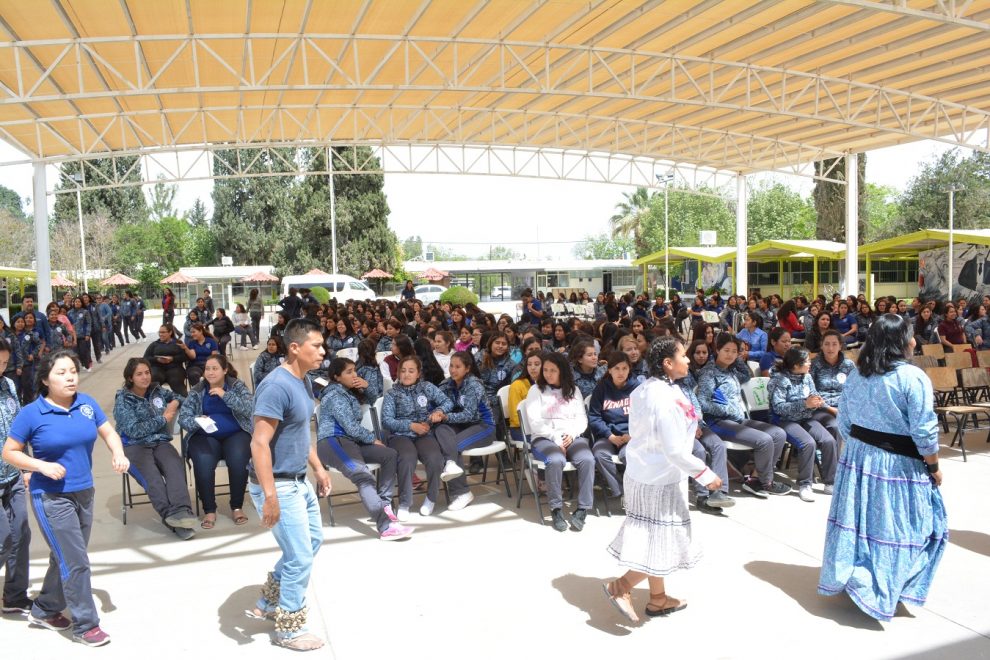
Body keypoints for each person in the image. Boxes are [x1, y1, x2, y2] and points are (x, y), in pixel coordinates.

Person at [818, 314, 947, 622]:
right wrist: (934, 465)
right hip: (899, 465)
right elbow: (924, 430)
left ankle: (860, 579)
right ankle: (885, 586)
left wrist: (865, 448)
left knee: (863, 524)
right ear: (900, 342)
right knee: (911, 525)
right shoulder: (913, 378)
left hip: (858, 460)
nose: (914, 341)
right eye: (910, 336)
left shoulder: (858, 375)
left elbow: (845, 422)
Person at [2, 349, 129, 647]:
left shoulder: (86, 404)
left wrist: (119, 453)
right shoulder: (31, 413)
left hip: (84, 491)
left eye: (72, 370)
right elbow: (9, 451)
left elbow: (109, 433)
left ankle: (45, 607)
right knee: (76, 560)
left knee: (66, 555)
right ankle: (86, 625)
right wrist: (40, 465)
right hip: (51, 497)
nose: (71, 376)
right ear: (45, 379)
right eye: (61, 372)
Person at [603, 336, 722, 623]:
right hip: (659, 476)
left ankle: (657, 599)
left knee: (657, 538)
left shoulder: (649, 387)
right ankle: (620, 587)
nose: (689, 360)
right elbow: (673, 451)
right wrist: (706, 475)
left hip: (645, 471)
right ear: (668, 364)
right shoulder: (664, 398)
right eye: (684, 355)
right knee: (663, 540)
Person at [247, 318, 331, 650]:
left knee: (311, 542)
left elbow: (297, 432)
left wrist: (319, 468)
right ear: (295, 348)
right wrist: (269, 496)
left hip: (298, 480)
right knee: (300, 557)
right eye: (317, 346)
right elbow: (259, 444)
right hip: (279, 485)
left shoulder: (304, 380)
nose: (323, 351)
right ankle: (290, 629)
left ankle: (269, 602)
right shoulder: (276, 386)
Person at [316, 358, 412, 540]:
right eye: (349, 372)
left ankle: (383, 504)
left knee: (389, 454)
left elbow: (374, 399)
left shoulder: (349, 392)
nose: (354, 375)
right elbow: (351, 427)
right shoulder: (335, 395)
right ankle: (386, 526)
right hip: (333, 442)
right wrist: (372, 439)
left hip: (351, 442)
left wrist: (366, 386)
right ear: (336, 377)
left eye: (355, 370)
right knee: (363, 476)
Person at [113, 358, 198, 539]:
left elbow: (181, 397)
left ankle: (182, 512)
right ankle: (170, 517)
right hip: (134, 445)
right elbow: (134, 430)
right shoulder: (123, 401)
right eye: (139, 374)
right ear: (130, 378)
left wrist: (174, 403)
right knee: (154, 480)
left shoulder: (157, 391)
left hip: (159, 441)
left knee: (174, 467)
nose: (145, 377)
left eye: (147, 373)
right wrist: (163, 419)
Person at [698, 334, 790, 497]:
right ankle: (766, 482)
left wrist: (737, 358)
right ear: (717, 349)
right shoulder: (709, 373)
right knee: (764, 440)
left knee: (778, 434)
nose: (730, 354)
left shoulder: (731, 371)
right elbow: (703, 403)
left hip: (738, 420)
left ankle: (755, 479)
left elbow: (746, 375)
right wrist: (728, 410)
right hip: (718, 422)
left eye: (734, 351)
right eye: (726, 350)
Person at [178, 354, 254, 528]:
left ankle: (236, 506)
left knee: (238, 461)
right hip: (204, 435)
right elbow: (184, 417)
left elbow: (249, 408)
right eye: (207, 369)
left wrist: (224, 395)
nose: (210, 372)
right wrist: (198, 420)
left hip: (236, 433)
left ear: (225, 370)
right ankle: (209, 510)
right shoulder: (198, 390)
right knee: (203, 462)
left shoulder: (236, 385)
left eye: (215, 368)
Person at [524, 352, 593, 532]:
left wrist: (572, 433)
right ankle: (556, 508)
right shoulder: (535, 390)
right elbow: (535, 422)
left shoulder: (574, 390)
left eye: (552, 370)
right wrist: (555, 438)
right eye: (545, 370)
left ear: (562, 371)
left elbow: (581, 419)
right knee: (555, 460)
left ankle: (583, 508)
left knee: (587, 459)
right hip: (544, 438)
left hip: (571, 436)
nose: (547, 374)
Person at [381, 355, 455, 518]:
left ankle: (431, 498)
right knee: (407, 458)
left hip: (424, 433)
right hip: (400, 435)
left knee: (435, 458)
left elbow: (448, 402)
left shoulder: (427, 387)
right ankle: (405, 503)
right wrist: (410, 425)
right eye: (403, 371)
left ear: (418, 373)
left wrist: (438, 412)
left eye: (411, 371)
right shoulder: (392, 394)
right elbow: (386, 421)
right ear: (398, 373)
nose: (406, 374)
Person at [767, 348, 838, 502]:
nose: (809, 363)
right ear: (796, 364)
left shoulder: (806, 377)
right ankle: (805, 484)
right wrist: (804, 404)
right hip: (784, 419)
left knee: (828, 440)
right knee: (807, 443)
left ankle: (830, 481)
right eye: (807, 361)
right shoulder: (779, 380)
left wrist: (817, 401)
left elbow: (813, 393)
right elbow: (779, 407)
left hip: (806, 417)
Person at [435, 351, 498, 511]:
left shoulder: (473, 385)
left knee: (452, 446)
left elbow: (469, 414)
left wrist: (445, 417)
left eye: (457, 367)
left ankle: (462, 492)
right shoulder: (447, 384)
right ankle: (457, 482)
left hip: (483, 426)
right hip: (463, 426)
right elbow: (440, 403)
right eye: (451, 365)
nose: (453, 370)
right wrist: (438, 412)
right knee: (442, 433)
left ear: (467, 368)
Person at [0, 339, 32, 616]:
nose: (0, 369)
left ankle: (15, 595)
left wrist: (28, 466)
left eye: (3, 364)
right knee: (4, 540)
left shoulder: (8, 386)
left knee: (21, 533)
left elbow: (19, 428)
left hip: (13, 475)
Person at [589, 352, 637, 500]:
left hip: (631, 435)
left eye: (624, 368)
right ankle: (622, 492)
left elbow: (645, 417)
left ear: (629, 369)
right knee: (599, 454)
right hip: (608, 435)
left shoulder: (637, 388)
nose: (621, 372)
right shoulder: (602, 388)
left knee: (627, 455)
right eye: (617, 368)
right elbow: (594, 417)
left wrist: (633, 435)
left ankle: (635, 491)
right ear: (609, 370)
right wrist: (610, 435)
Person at [810, 330, 855, 420]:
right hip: (821, 409)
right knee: (834, 426)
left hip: (845, 409)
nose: (830, 348)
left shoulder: (849, 365)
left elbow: (855, 390)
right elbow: (811, 392)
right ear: (821, 346)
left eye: (834, 344)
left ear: (840, 346)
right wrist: (831, 409)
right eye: (826, 344)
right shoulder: (814, 365)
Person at [144, 324, 189, 395]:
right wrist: (157, 359)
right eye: (159, 332)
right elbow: (145, 358)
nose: (160, 334)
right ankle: (154, 400)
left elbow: (185, 357)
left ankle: (183, 401)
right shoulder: (154, 344)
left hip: (174, 368)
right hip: (158, 368)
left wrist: (173, 359)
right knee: (154, 378)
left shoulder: (178, 343)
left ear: (170, 332)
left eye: (163, 332)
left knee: (175, 380)